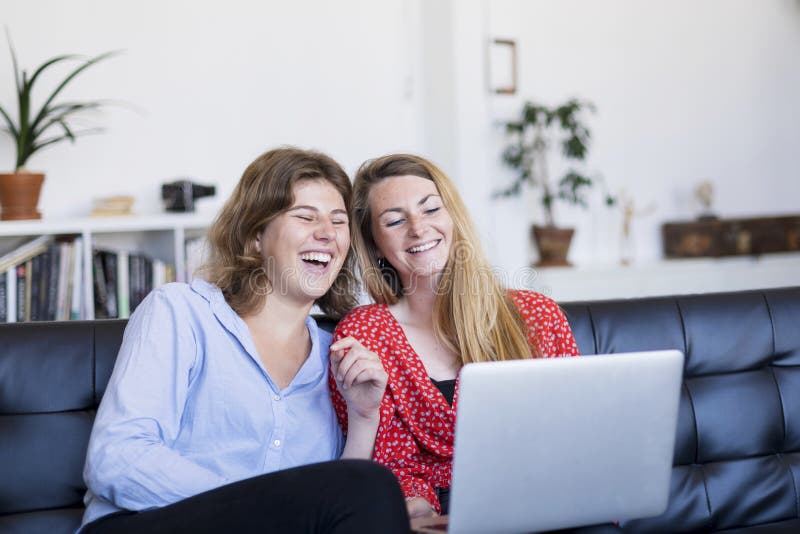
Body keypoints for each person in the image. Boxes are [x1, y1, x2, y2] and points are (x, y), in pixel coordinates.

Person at [80, 147, 409, 534]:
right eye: (305, 216)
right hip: (142, 524)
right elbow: (115, 459)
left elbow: (337, 499)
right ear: (255, 236)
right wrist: (264, 505)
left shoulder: (337, 354)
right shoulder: (182, 311)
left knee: (371, 488)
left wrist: (364, 415)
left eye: (339, 222)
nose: (327, 233)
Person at [329, 154, 580, 520]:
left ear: (453, 218)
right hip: (435, 516)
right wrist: (425, 520)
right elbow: (393, 467)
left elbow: (575, 435)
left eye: (431, 209)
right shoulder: (365, 334)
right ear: (374, 244)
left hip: (541, 502)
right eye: (395, 220)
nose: (418, 228)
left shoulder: (536, 315)